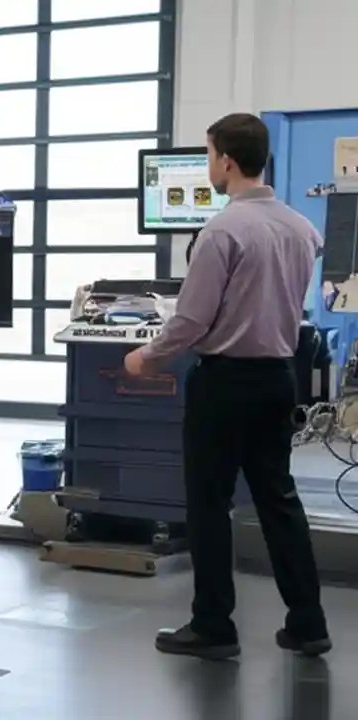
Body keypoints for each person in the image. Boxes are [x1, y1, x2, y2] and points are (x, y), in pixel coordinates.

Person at [124, 113, 331, 660]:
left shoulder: (220, 232)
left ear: (227, 162)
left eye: (209, 154)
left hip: (224, 384)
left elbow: (191, 322)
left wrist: (147, 357)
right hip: (277, 380)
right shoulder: (301, 229)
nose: (209, 165)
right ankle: (308, 624)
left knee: (209, 505)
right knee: (278, 500)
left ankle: (213, 625)